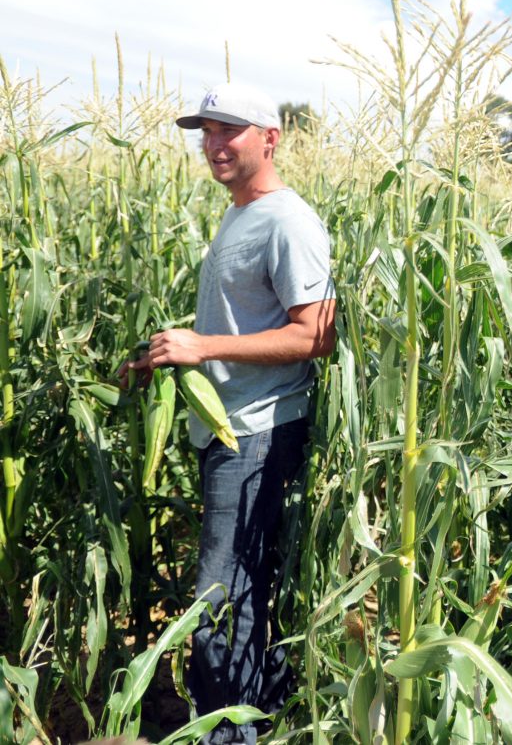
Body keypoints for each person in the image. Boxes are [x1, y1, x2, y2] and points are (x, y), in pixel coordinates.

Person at [124, 81, 335, 744]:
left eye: (229, 131)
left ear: (270, 138)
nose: (213, 145)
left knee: (217, 604)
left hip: (257, 433)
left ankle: (225, 738)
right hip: (226, 427)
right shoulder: (240, 211)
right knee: (238, 593)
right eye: (206, 132)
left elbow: (316, 335)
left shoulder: (288, 221)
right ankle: (252, 723)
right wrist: (166, 356)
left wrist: (203, 346)